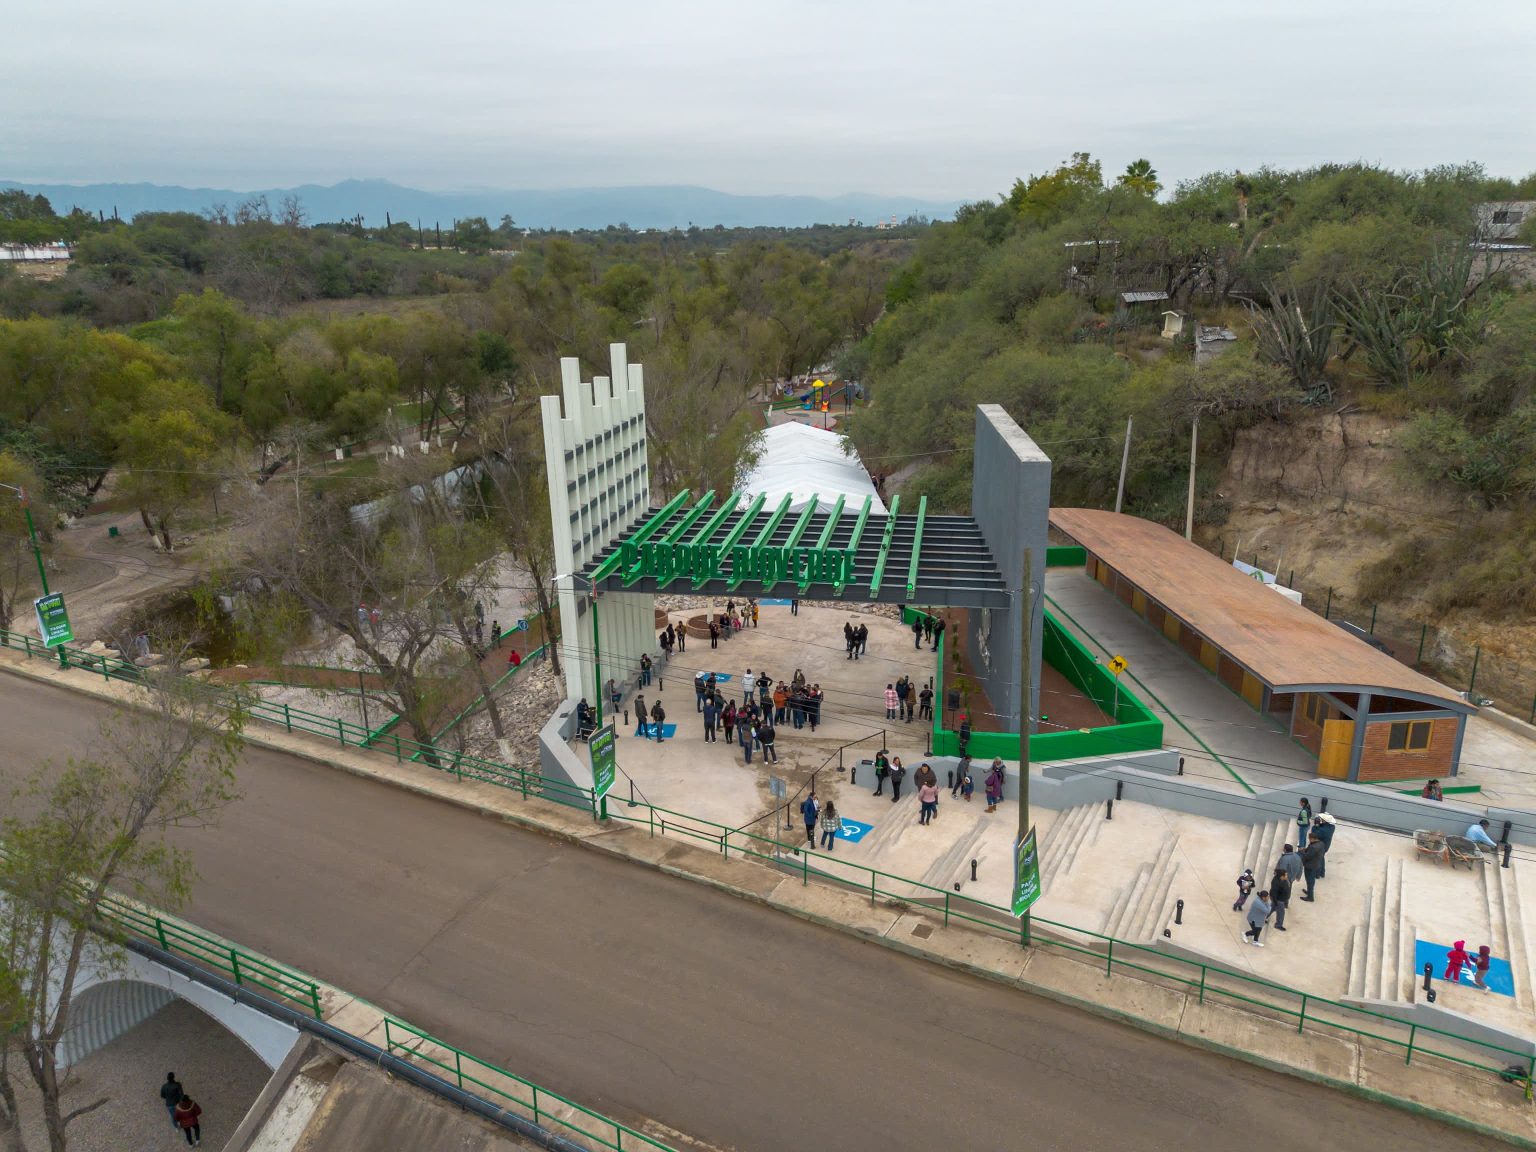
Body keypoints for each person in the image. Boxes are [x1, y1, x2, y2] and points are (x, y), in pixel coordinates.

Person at [1300, 834, 1325, 901]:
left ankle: (1310, 897)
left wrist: (1302, 851)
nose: (1309, 840)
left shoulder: (1313, 847)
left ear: (1313, 838)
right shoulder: (1321, 843)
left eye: (1309, 839)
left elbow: (1307, 856)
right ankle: (1309, 892)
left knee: (1309, 881)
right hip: (1316, 864)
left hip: (1310, 866)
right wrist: (1306, 849)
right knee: (1311, 881)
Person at [1311, 813, 1336, 877]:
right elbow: (1324, 826)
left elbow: (1314, 834)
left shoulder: (1323, 831)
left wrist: (1315, 826)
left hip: (1321, 847)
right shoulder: (1332, 827)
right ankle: (1322, 873)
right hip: (1326, 845)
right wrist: (1320, 824)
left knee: (1318, 860)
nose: (1321, 820)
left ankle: (1317, 874)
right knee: (1321, 858)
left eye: (1322, 819)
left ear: (1325, 821)